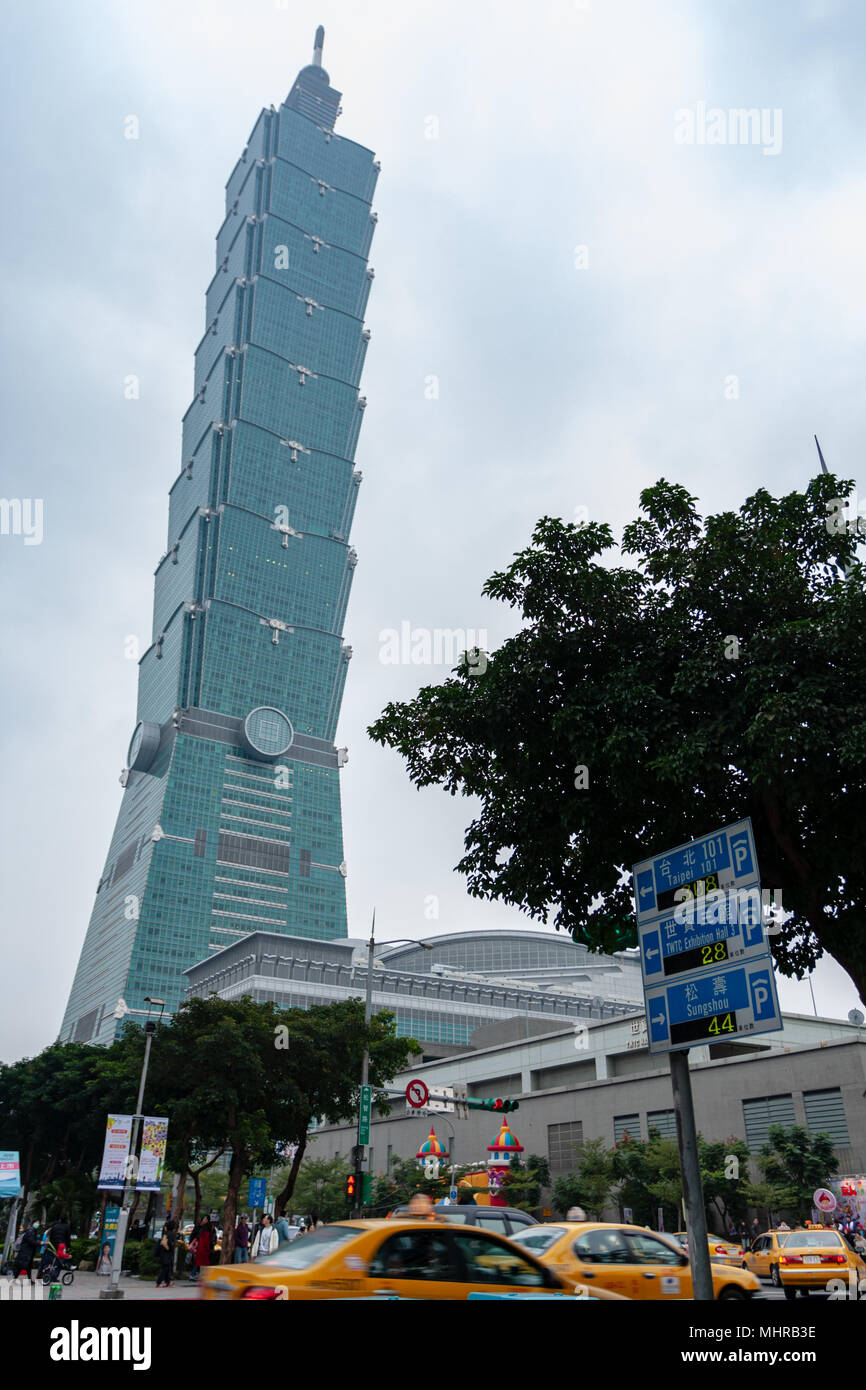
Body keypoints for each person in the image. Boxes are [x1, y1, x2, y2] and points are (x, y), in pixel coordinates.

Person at [155, 1220, 175, 1288]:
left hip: (163, 1253)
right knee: (165, 1268)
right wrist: (169, 1248)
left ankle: (168, 1282)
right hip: (167, 1253)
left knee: (167, 1268)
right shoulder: (171, 1234)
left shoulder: (165, 1233)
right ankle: (158, 1283)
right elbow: (165, 1243)